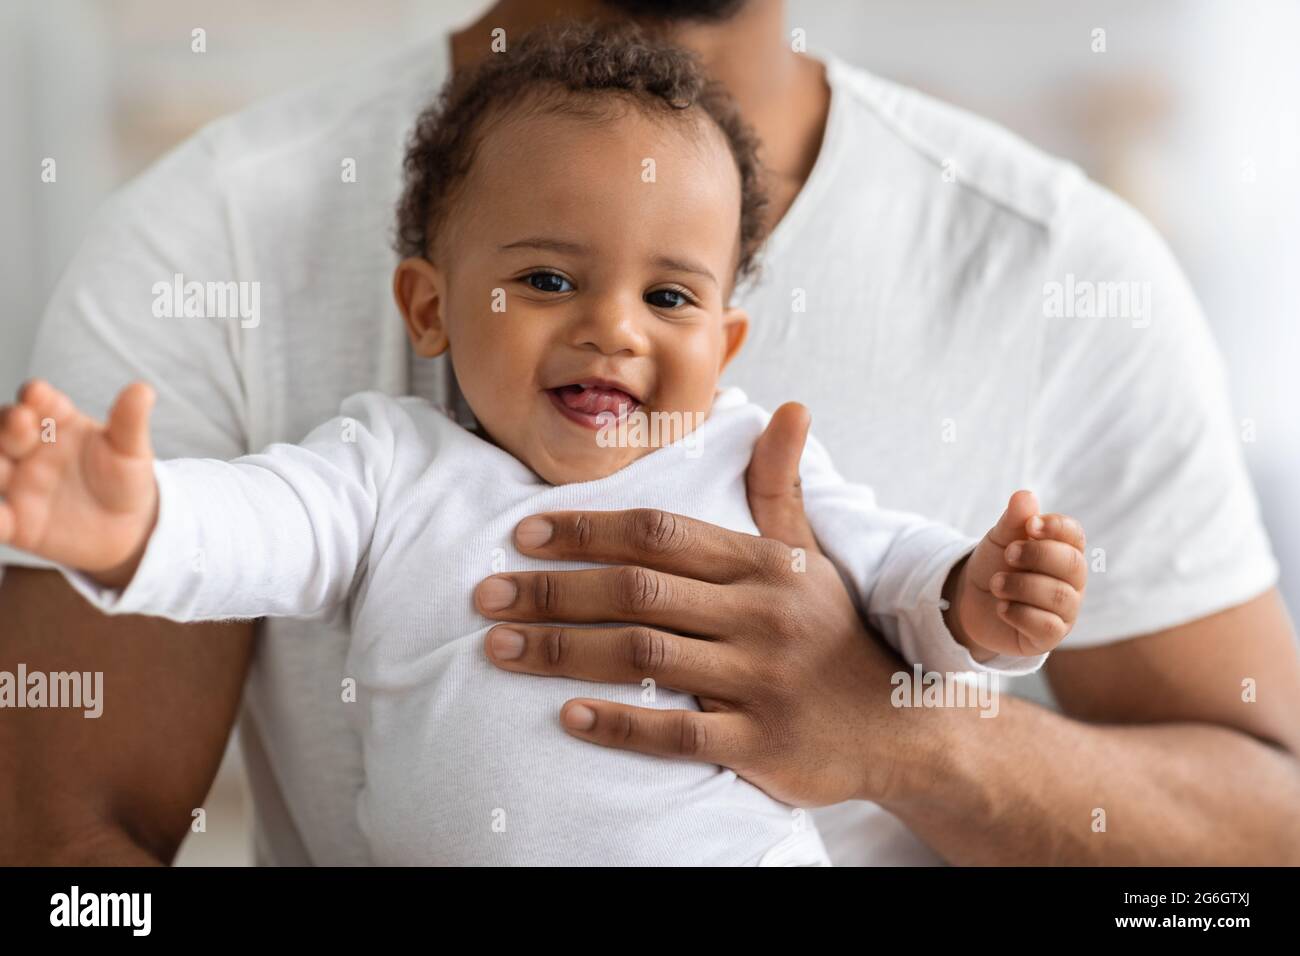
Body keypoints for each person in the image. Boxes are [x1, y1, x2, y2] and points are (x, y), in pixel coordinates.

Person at [2, 0, 1296, 867]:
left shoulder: (1056, 271)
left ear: (727, 338)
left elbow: (1265, 832)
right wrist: (137, 525)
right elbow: (70, 857)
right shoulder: (233, 266)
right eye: (549, 282)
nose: (611, 335)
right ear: (428, 301)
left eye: (670, 296)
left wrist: (907, 725)